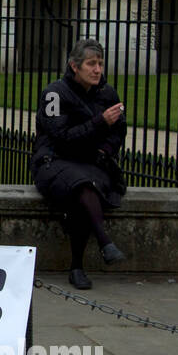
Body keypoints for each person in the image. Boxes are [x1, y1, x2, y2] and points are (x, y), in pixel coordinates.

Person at [31, 38, 128, 289]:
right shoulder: (54, 93)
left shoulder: (108, 94)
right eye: (91, 64)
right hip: (54, 161)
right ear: (75, 66)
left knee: (88, 183)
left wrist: (103, 149)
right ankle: (102, 245)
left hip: (92, 161)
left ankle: (78, 267)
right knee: (82, 185)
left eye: (100, 64)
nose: (97, 70)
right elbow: (60, 138)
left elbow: (118, 132)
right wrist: (100, 122)